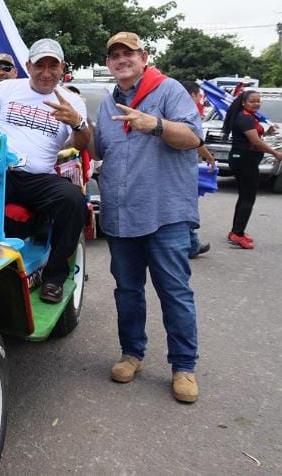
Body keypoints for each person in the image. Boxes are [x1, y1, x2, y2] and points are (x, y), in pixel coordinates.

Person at [90, 31, 204, 404]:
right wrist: (78, 126)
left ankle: (183, 366)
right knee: (127, 291)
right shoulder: (107, 103)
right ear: (109, 64)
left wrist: (155, 124)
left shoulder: (168, 90)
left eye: (129, 53)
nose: (121, 59)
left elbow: (193, 137)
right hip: (121, 214)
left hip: (164, 214)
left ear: (144, 57)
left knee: (174, 291)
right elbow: (98, 150)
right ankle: (132, 354)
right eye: (114, 55)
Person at [0, 38, 90, 303]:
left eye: (52, 66)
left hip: (40, 178)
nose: (46, 73)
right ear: (28, 66)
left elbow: (82, 145)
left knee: (73, 200)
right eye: (39, 66)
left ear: (62, 68)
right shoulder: (7, 89)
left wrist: (78, 123)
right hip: (1, 172)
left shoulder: (72, 101)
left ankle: (54, 277)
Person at [223, 90, 282, 249]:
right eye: (252, 101)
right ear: (244, 103)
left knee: (245, 197)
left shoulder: (249, 116)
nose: (256, 103)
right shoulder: (245, 118)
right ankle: (237, 234)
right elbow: (255, 142)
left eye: (258, 101)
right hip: (245, 161)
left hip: (244, 160)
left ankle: (236, 231)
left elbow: (253, 136)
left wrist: (267, 131)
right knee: (247, 198)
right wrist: (275, 153)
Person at [181, 81, 213, 258]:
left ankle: (192, 244)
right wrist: (208, 156)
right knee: (185, 208)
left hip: (175, 169)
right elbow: (195, 141)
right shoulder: (188, 112)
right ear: (192, 95)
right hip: (182, 170)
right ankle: (191, 245)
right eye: (198, 95)